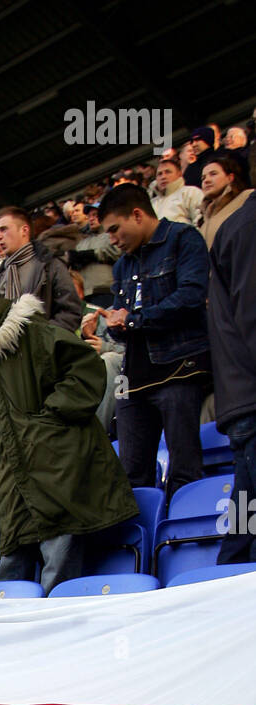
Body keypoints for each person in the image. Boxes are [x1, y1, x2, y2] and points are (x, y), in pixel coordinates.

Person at [0, 291, 138, 594]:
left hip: (60, 477)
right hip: (16, 496)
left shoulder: (26, 334)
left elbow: (85, 368)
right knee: (8, 588)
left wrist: (48, 424)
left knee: (58, 580)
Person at [100, 182, 211, 496]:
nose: (111, 240)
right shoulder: (122, 265)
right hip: (134, 378)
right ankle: (143, 544)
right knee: (133, 478)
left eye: (114, 230)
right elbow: (124, 321)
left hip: (178, 368)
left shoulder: (182, 238)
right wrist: (114, 323)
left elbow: (191, 297)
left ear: (136, 215)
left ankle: (182, 541)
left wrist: (133, 319)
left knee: (184, 469)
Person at [210, 193, 256, 565]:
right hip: (251, 403)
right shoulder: (249, 226)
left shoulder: (235, 227)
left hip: (242, 404)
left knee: (243, 529)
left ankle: (219, 598)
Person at [0, 207, 83, 332]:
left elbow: (70, 311)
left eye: (3, 229)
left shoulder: (50, 265)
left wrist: (43, 339)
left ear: (24, 230)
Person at [198, 155, 252, 249]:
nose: (206, 180)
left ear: (230, 177)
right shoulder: (204, 217)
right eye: (203, 178)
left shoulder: (247, 197)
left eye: (213, 174)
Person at [151, 154, 203, 225]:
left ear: (179, 174)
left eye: (168, 172)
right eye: (159, 174)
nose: (163, 177)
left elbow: (200, 220)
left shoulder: (190, 192)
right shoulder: (152, 203)